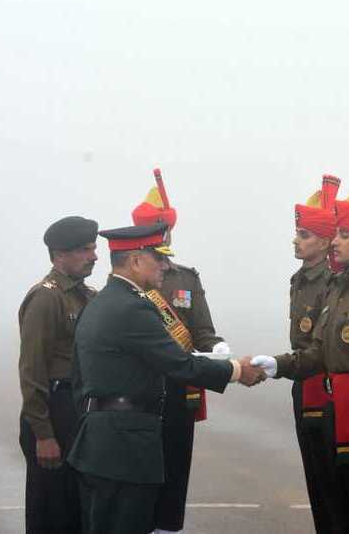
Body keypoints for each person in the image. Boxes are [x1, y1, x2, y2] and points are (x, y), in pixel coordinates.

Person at [67, 222, 265, 534]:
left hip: (101, 441)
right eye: (157, 258)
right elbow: (178, 365)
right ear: (134, 261)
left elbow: (77, 378)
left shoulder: (101, 303)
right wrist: (237, 370)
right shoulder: (132, 308)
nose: (165, 265)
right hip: (126, 447)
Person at [253, 164, 349, 533]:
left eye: (343, 234)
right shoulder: (341, 287)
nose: (335, 241)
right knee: (335, 496)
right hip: (336, 403)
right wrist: (276, 364)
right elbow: (318, 349)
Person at [130, 170, 233, 534]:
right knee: (139, 473)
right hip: (140, 391)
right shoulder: (128, 281)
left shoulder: (186, 278)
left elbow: (202, 331)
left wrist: (216, 347)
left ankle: (168, 527)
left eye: (166, 230)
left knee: (175, 468)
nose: (164, 237)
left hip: (179, 389)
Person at [18, 215, 99, 534]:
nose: (94, 255)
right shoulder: (45, 297)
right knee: (51, 510)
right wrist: (43, 434)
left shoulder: (88, 295)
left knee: (79, 509)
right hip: (54, 411)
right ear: (60, 254)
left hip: (79, 409)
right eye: (85, 249)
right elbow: (32, 369)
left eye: (93, 248)